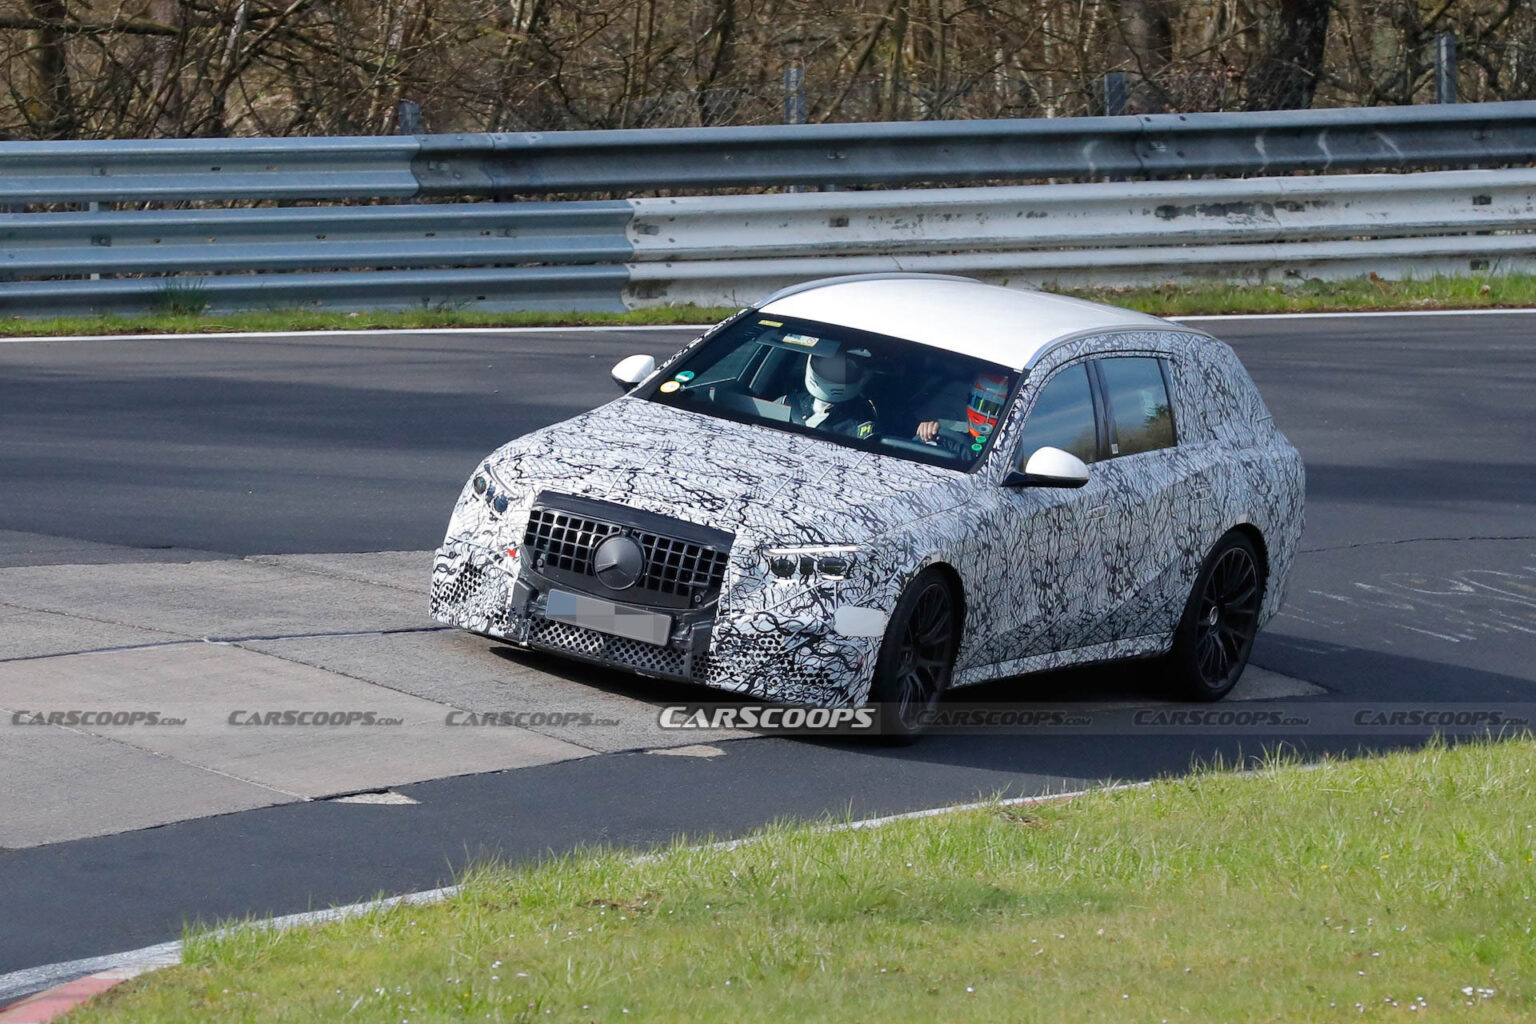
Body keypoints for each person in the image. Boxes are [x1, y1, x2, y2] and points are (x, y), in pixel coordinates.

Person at [781, 350, 880, 439]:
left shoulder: (861, 426)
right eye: (826, 361)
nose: (834, 369)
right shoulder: (788, 403)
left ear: (864, 374)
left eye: (847, 365)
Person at [916, 371, 1011, 457]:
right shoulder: (945, 426)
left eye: (993, 408)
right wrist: (928, 433)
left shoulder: (1008, 446)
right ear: (970, 400)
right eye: (979, 403)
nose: (987, 414)